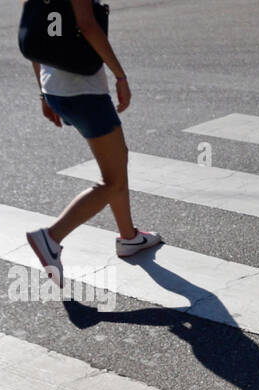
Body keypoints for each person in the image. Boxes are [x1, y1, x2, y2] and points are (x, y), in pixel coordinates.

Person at [24, 0, 161, 286]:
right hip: (83, 90)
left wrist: (42, 93)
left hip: (55, 88)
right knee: (112, 180)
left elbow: (35, 35)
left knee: (117, 160)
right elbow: (87, 24)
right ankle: (51, 237)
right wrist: (120, 75)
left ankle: (129, 237)